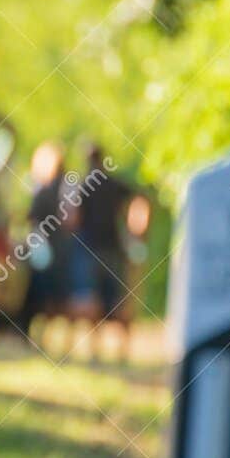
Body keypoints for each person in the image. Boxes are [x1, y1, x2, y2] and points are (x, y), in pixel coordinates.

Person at [64, 140, 151, 359]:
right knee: (117, 300)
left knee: (89, 299)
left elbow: (73, 218)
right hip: (114, 247)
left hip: (89, 247)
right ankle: (123, 351)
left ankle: (94, 349)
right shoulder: (114, 183)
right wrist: (136, 229)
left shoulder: (82, 185)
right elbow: (140, 199)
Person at [17, 140, 68, 340]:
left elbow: (34, 216)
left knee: (37, 292)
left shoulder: (49, 190)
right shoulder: (61, 187)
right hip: (50, 246)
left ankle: (27, 331)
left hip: (44, 247)